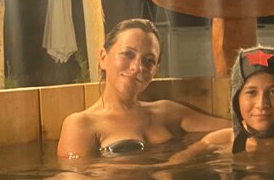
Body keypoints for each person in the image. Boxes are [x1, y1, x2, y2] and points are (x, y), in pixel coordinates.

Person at [56, 18, 227, 158]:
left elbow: (233, 128)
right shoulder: (81, 124)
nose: (138, 67)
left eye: (149, 61)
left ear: (155, 70)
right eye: (127, 54)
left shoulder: (166, 112)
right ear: (103, 58)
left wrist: (202, 146)